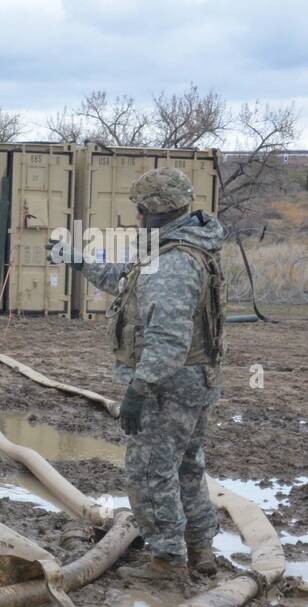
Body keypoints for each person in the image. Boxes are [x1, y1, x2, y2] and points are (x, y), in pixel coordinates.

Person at [57, 167, 226, 579]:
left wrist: (138, 390)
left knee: (149, 468)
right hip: (192, 379)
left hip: (167, 383)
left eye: (141, 210)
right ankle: (200, 547)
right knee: (185, 464)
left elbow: (168, 338)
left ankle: (168, 559)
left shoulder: (172, 262)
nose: (136, 218)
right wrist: (78, 261)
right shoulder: (176, 248)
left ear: (157, 211)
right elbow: (125, 280)